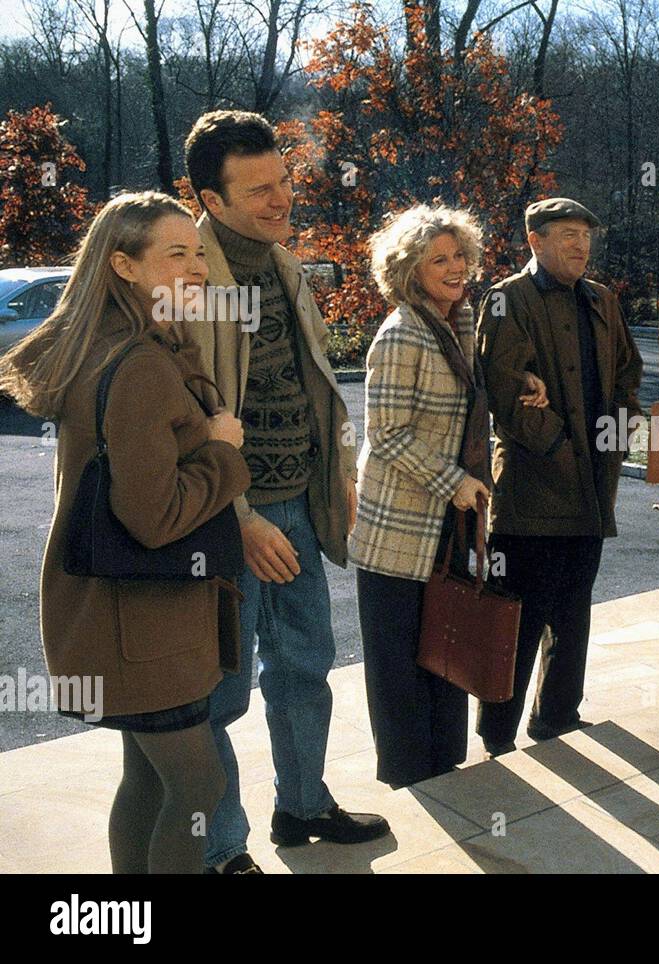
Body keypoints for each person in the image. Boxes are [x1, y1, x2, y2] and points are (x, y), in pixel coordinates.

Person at [0, 191, 249, 873]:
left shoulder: (129, 345)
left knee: (148, 782)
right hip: (144, 629)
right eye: (177, 254)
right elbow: (154, 514)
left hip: (130, 621)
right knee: (198, 784)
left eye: (198, 253)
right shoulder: (137, 364)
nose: (197, 267)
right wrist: (225, 451)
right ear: (124, 265)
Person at [177, 110, 389, 874]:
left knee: (305, 666)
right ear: (209, 196)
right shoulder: (186, 273)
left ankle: (301, 808)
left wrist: (339, 480)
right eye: (258, 190)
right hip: (221, 518)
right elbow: (188, 413)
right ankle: (221, 848)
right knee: (220, 692)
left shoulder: (285, 264)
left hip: (298, 503)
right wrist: (237, 520)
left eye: (284, 182)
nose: (281, 201)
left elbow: (316, 389)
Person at [350, 204, 548, 787]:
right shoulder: (401, 331)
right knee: (399, 660)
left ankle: (445, 765)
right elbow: (385, 433)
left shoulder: (458, 322)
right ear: (410, 271)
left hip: (449, 523)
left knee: (446, 641)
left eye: (459, 254)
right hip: (398, 524)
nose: (456, 267)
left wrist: (521, 381)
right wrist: (455, 481)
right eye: (439, 259)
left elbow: (471, 388)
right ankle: (408, 775)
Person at [475, 197, 643, 758]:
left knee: (573, 609)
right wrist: (562, 448)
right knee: (519, 617)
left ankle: (558, 716)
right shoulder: (507, 300)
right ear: (535, 241)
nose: (580, 245)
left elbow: (626, 372)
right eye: (566, 234)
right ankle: (498, 735)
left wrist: (617, 431)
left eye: (585, 234)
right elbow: (503, 392)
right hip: (534, 487)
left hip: (595, 485)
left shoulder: (601, 300)